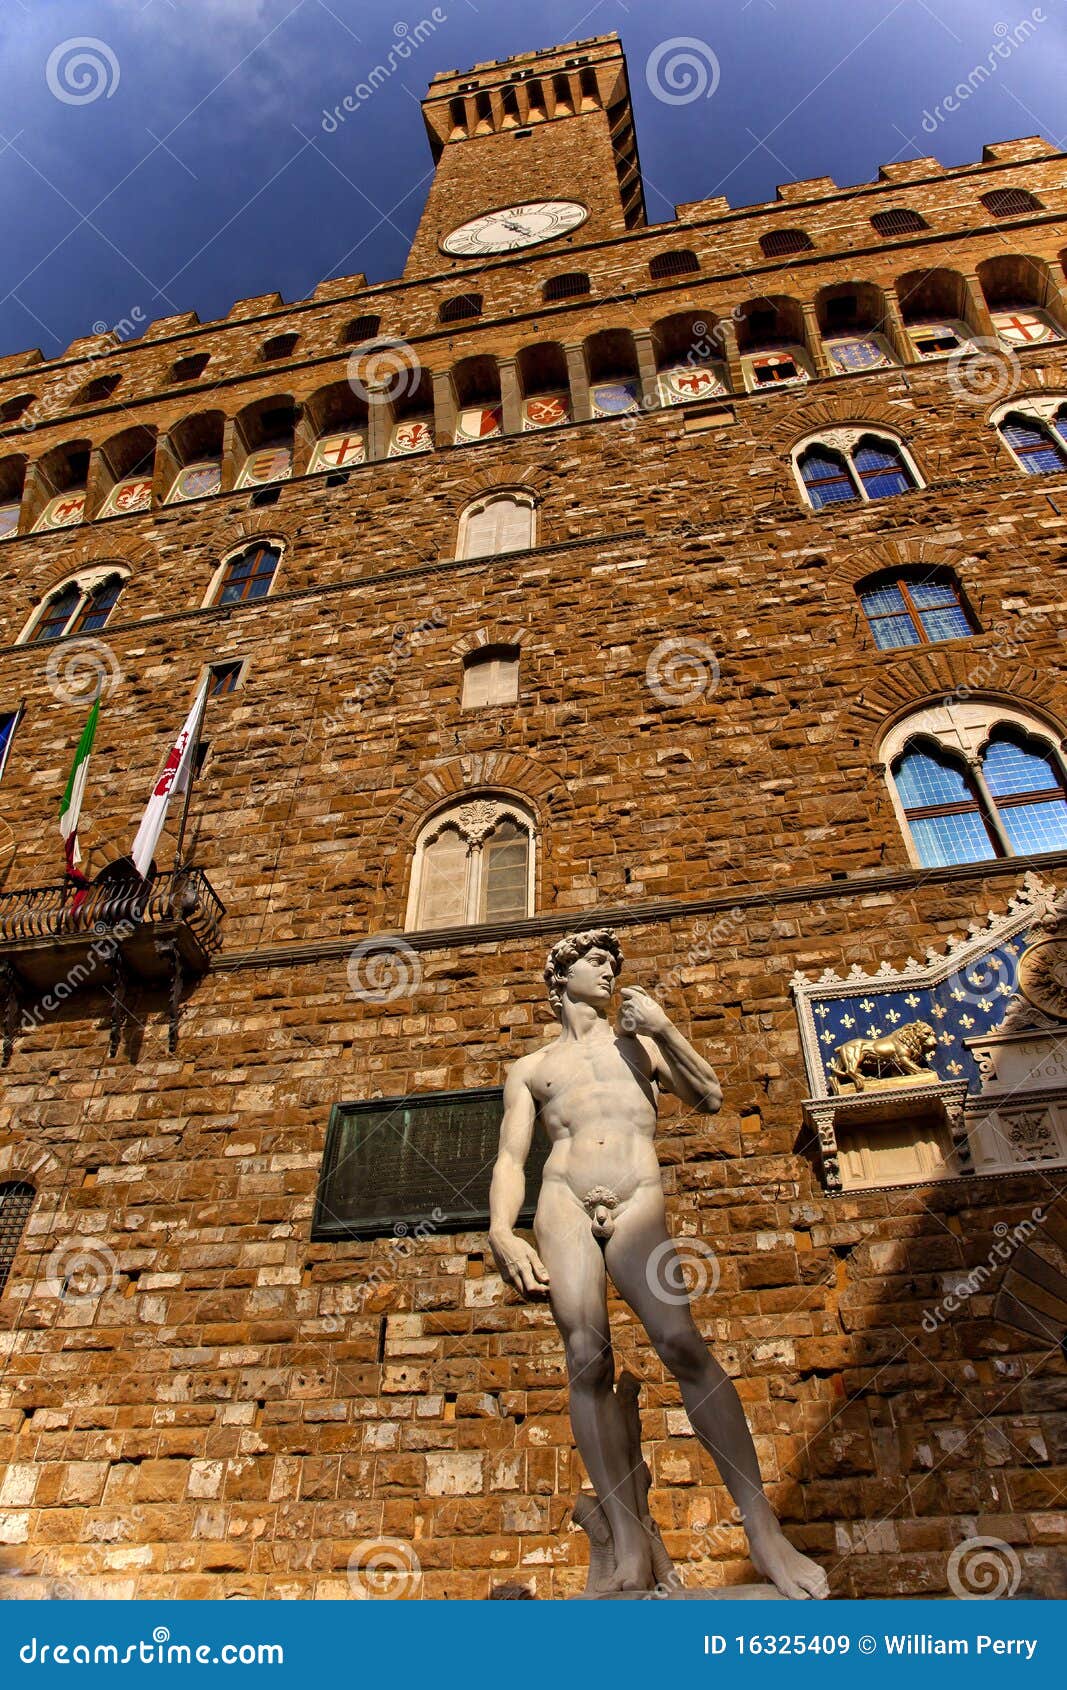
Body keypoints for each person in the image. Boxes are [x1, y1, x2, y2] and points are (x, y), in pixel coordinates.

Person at [488, 928, 828, 1599]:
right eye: (596, 962)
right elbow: (508, 1157)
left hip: (636, 1191)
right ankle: (625, 1542)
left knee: (680, 1342)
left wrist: (668, 1029)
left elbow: (707, 1096)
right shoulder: (529, 1069)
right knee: (586, 1359)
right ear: (560, 978)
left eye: (613, 964)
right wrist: (501, 1230)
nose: (609, 972)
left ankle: (761, 1528)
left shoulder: (638, 1043)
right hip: (560, 1197)